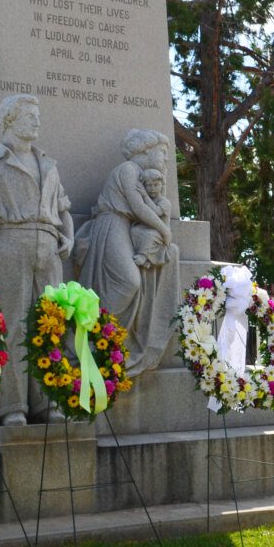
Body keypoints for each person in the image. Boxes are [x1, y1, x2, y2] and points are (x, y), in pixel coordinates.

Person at [0, 94, 74, 426]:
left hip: (49, 246)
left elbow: (63, 209)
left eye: (38, 115)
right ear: (10, 119)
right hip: (10, 243)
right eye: (30, 115)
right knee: (13, 327)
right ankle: (14, 406)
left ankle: (50, 401)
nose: (37, 121)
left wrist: (68, 235)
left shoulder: (49, 164)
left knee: (51, 325)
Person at [73, 129, 180, 375]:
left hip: (125, 227)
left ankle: (108, 338)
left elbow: (147, 207)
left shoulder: (142, 176)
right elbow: (138, 207)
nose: (165, 160)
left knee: (135, 279)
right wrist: (164, 231)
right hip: (112, 225)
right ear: (147, 151)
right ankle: (95, 334)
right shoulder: (128, 169)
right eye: (162, 153)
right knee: (128, 281)